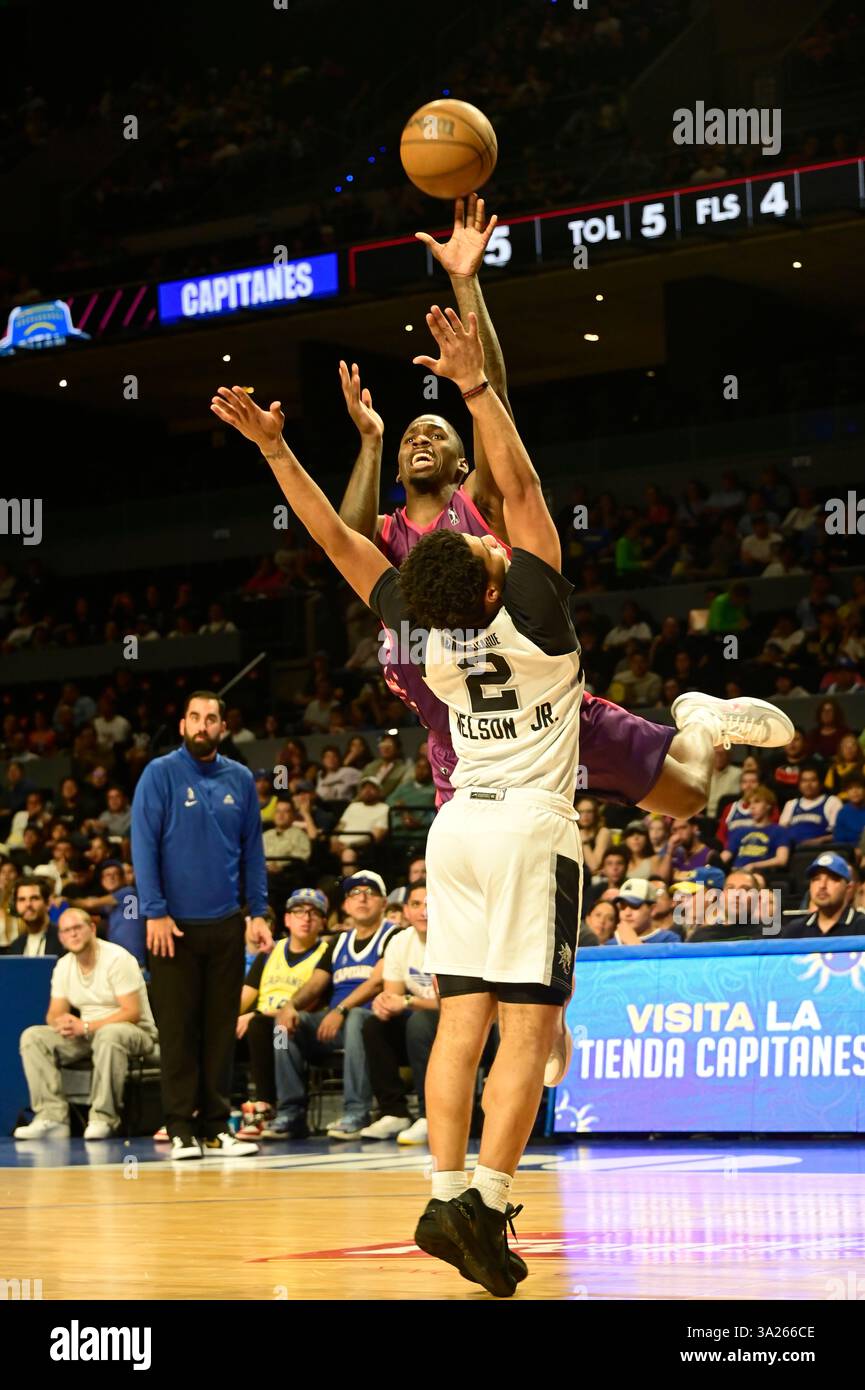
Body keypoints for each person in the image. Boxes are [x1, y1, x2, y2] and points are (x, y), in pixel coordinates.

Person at [211, 300, 794, 1296]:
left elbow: (340, 547)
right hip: (530, 820)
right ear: (489, 585)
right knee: (526, 1022)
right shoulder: (534, 606)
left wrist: (275, 453)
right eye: (484, 552)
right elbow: (518, 484)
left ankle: (447, 1193)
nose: (489, 541)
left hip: (457, 825)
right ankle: (483, 1192)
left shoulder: (411, 628)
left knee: (465, 1017)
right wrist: (476, 383)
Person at [336, 196, 794, 821]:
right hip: (459, 733)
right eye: (412, 435)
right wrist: (369, 438)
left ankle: (703, 721)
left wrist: (465, 284)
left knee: (687, 798)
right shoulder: (386, 536)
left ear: (463, 463)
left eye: (438, 434)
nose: (422, 439)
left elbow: (491, 397)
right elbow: (342, 540)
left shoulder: (480, 506)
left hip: (538, 702)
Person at [131, 690, 272, 1161]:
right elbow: (143, 844)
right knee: (178, 1030)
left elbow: (253, 849)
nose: (202, 725)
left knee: (218, 1030)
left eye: (211, 718)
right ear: (182, 724)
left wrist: (257, 911)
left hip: (227, 925)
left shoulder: (239, 780)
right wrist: (153, 910)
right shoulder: (160, 773)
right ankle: (179, 1127)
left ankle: (215, 1127)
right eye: (194, 717)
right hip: (172, 927)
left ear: (223, 727)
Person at [267, 871, 398, 1140]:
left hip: (377, 1025)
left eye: (369, 893)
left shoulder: (394, 935)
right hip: (333, 1024)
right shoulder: (338, 942)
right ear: (345, 905)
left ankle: (357, 1111)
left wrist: (341, 1010)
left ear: (384, 903)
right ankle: (290, 1111)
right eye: (354, 894)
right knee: (281, 1028)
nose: (361, 899)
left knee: (356, 1019)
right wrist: (290, 1006)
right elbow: (316, 984)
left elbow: (376, 983)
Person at [13, 908, 157, 1140]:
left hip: (136, 1032)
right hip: (89, 1034)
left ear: (91, 928)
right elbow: (53, 1013)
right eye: (66, 931)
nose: (73, 934)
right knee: (33, 1037)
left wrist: (87, 1026)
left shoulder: (117, 958)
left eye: (77, 928)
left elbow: (132, 1012)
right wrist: (64, 1023)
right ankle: (52, 1118)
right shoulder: (64, 965)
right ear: (60, 937)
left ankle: (104, 1118)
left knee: (109, 1035)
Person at [236, 887, 330, 1140]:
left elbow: (314, 1003)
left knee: (266, 1027)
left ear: (323, 921)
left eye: (313, 913)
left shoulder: (326, 954)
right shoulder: (270, 953)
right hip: (258, 1025)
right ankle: (208, 1111)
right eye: (298, 911)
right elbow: (245, 995)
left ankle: (271, 1106)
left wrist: (257, 1015)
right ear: (287, 919)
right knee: (214, 1032)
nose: (306, 918)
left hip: (296, 1028)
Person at [360, 879, 438, 1144]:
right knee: (372, 1024)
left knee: (419, 1022)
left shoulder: (454, 941)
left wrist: (405, 1002)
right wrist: (385, 1004)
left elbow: (453, 1003)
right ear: (406, 910)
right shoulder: (399, 941)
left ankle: (431, 1116)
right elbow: (392, 995)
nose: (423, 911)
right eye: (416, 904)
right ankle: (394, 1112)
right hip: (418, 1018)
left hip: (457, 1023)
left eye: (430, 904)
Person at [780, 854, 865, 938]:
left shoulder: (862, 926)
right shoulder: (795, 930)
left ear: (848, 888)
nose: (822, 885)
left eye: (832, 878)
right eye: (816, 879)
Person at [722, 787, 790, 874]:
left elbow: (781, 860)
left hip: (761, 874)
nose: (752, 807)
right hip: (736, 873)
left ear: (768, 805)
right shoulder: (740, 831)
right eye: (750, 803)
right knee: (702, 882)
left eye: (757, 802)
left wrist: (754, 866)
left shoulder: (779, 831)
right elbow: (725, 856)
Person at [778, 766, 843, 849]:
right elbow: (781, 832)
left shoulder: (832, 801)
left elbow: (839, 833)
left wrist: (819, 841)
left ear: (820, 783)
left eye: (813, 780)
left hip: (819, 850)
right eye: (804, 781)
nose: (808, 785)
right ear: (799, 784)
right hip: (793, 850)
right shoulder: (791, 804)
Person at [3, 878, 63, 956]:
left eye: (34, 898)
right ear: (16, 905)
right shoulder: (15, 946)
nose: (28, 904)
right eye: (22, 899)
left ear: (48, 903)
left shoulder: (64, 939)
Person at [609, 879, 681, 944]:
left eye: (634, 906)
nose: (627, 913)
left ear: (652, 909)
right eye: (623, 906)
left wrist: (633, 942)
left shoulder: (668, 940)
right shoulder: (610, 944)